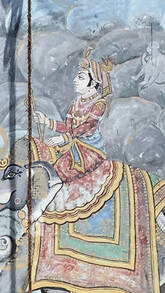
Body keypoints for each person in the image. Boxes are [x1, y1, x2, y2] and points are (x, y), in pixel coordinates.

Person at [31, 51, 116, 214]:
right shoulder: (75, 103)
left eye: (81, 77)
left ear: (94, 83)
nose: (75, 81)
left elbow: (86, 126)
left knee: (59, 171)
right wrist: (46, 121)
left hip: (89, 150)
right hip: (73, 145)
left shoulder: (98, 104)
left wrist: (63, 138)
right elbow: (68, 127)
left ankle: (43, 209)